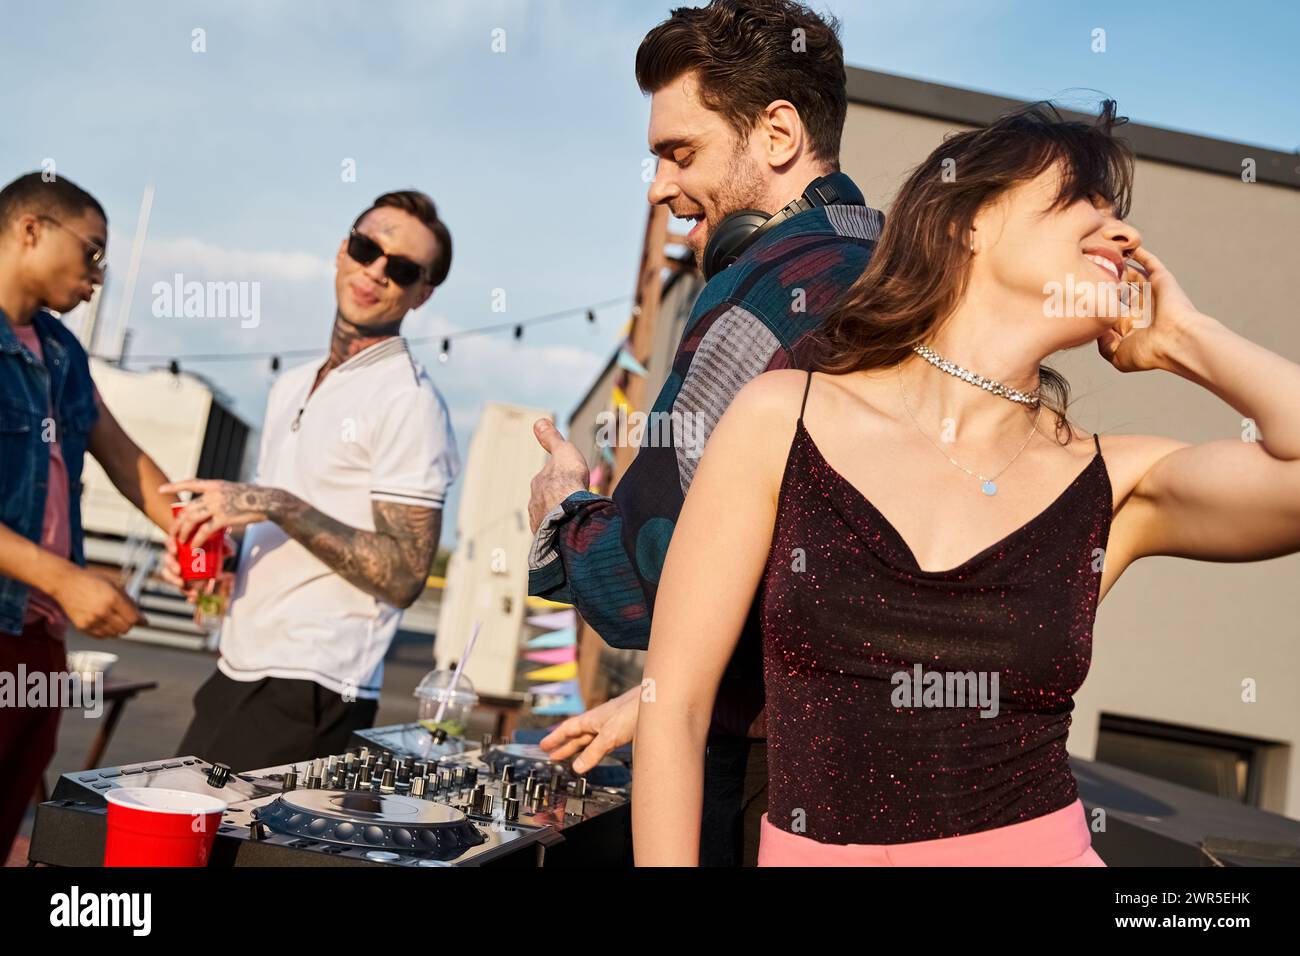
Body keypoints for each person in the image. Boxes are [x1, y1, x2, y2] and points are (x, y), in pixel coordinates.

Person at [633, 99, 1300, 865]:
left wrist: (1188, 338)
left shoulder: (1113, 482)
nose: (1124, 233)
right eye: (1087, 199)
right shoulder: (784, 416)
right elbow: (674, 705)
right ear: (969, 221)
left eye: (1121, 216)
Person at [527, 0, 883, 866]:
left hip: (761, 774)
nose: (660, 186)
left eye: (678, 152)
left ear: (777, 133)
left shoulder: (754, 296)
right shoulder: (902, 279)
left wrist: (561, 508)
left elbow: (648, 580)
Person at [164, 190, 461, 771]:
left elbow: (403, 576)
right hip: (240, 662)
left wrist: (273, 503)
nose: (375, 270)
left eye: (400, 269)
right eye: (366, 247)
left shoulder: (409, 400)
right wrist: (224, 569)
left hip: (315, 682)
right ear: (341, 250)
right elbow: (294, 527)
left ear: (422, 294)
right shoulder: (292, 384)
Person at [0, 172, 179, 861]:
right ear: (31, 229)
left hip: (38, 634)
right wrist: (69, 579)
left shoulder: (62, 350)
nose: (98, 276)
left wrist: (197, 537)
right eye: (93, 251)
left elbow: (123, 455)